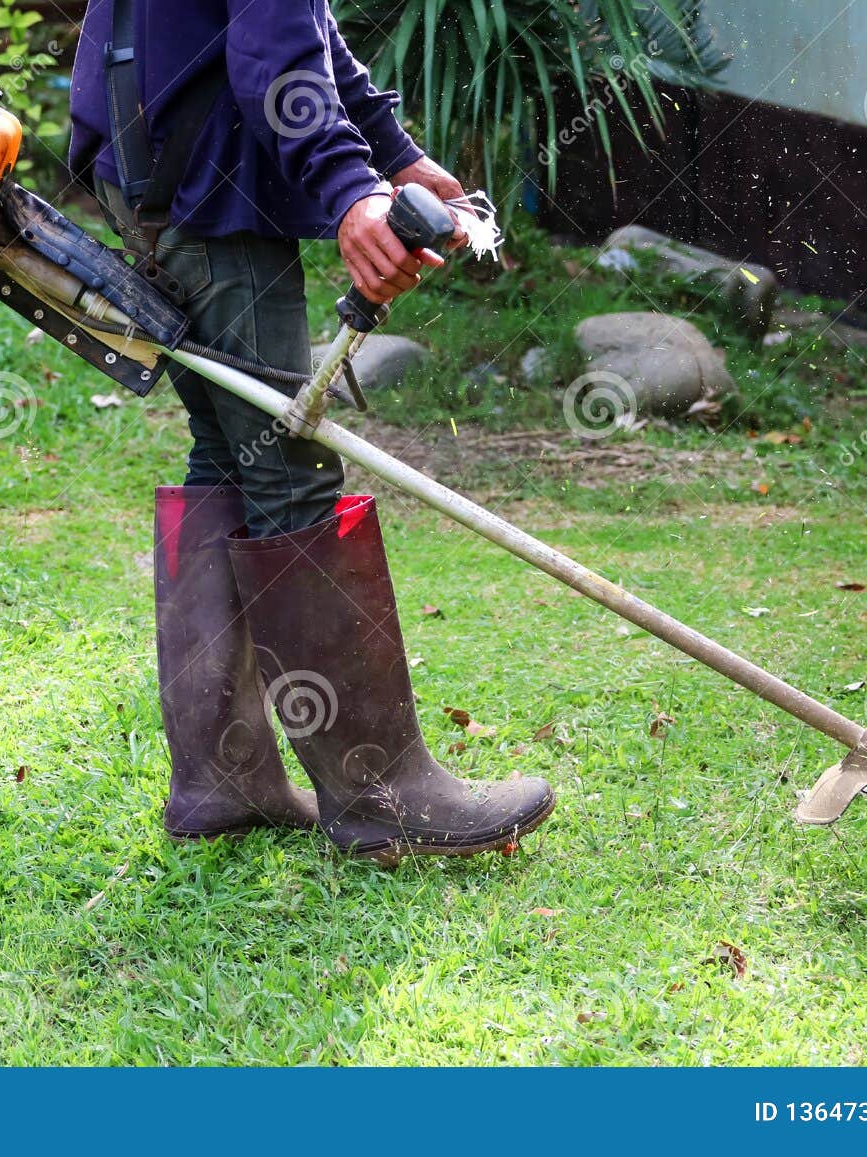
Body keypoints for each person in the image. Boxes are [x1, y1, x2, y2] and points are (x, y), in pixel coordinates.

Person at [69, 0, 554, 864]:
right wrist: (352, 194)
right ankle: (382, 792)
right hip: (210, 198)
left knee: (228, 449)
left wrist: (395, 157)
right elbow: (273, 58)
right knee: (289, 466)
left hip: (150, 179)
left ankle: (225, 776)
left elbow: (304, 33)